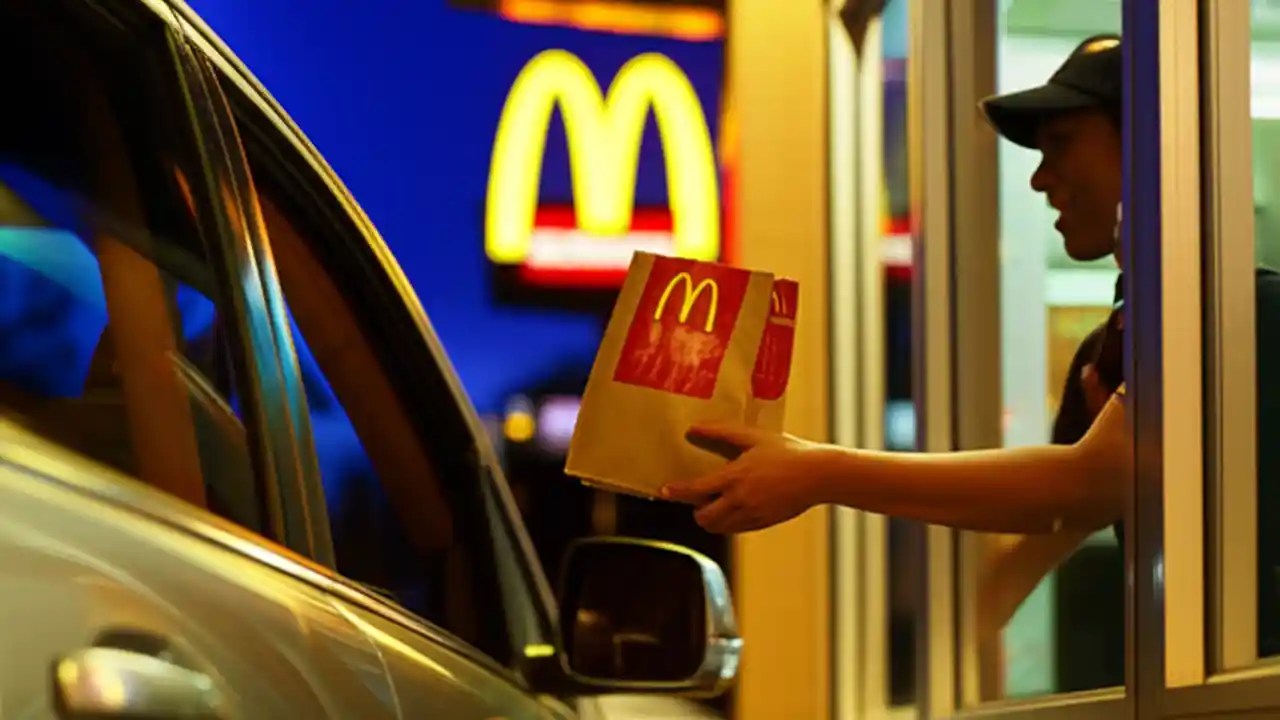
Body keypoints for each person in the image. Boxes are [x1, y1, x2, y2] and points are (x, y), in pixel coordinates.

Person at [663, 33, 1280, 655]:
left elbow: (1092, 480)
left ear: (1153, 148)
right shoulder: (1113, 349)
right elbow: (1045, 523)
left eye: (1061, 144)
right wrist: (948, 664)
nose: (1041, 178)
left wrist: (818, 472)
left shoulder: (1247, 313)